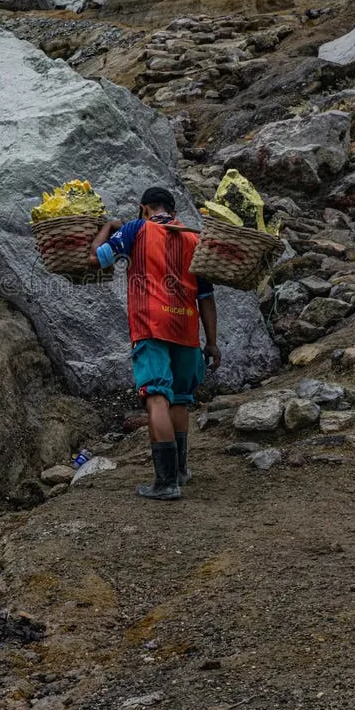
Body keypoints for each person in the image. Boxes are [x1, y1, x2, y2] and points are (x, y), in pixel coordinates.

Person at [88, 186, 221, 501]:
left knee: (157, 397)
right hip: (187, 330)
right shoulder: (193, 238)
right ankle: (181, 471)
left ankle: (165, 483)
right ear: (173, 211)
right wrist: (212, 342)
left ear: (144, 208)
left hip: (151, 326)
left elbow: (95, 258)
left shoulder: (137, 229)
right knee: (179, 400)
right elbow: (206, 297)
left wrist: (108, 227)